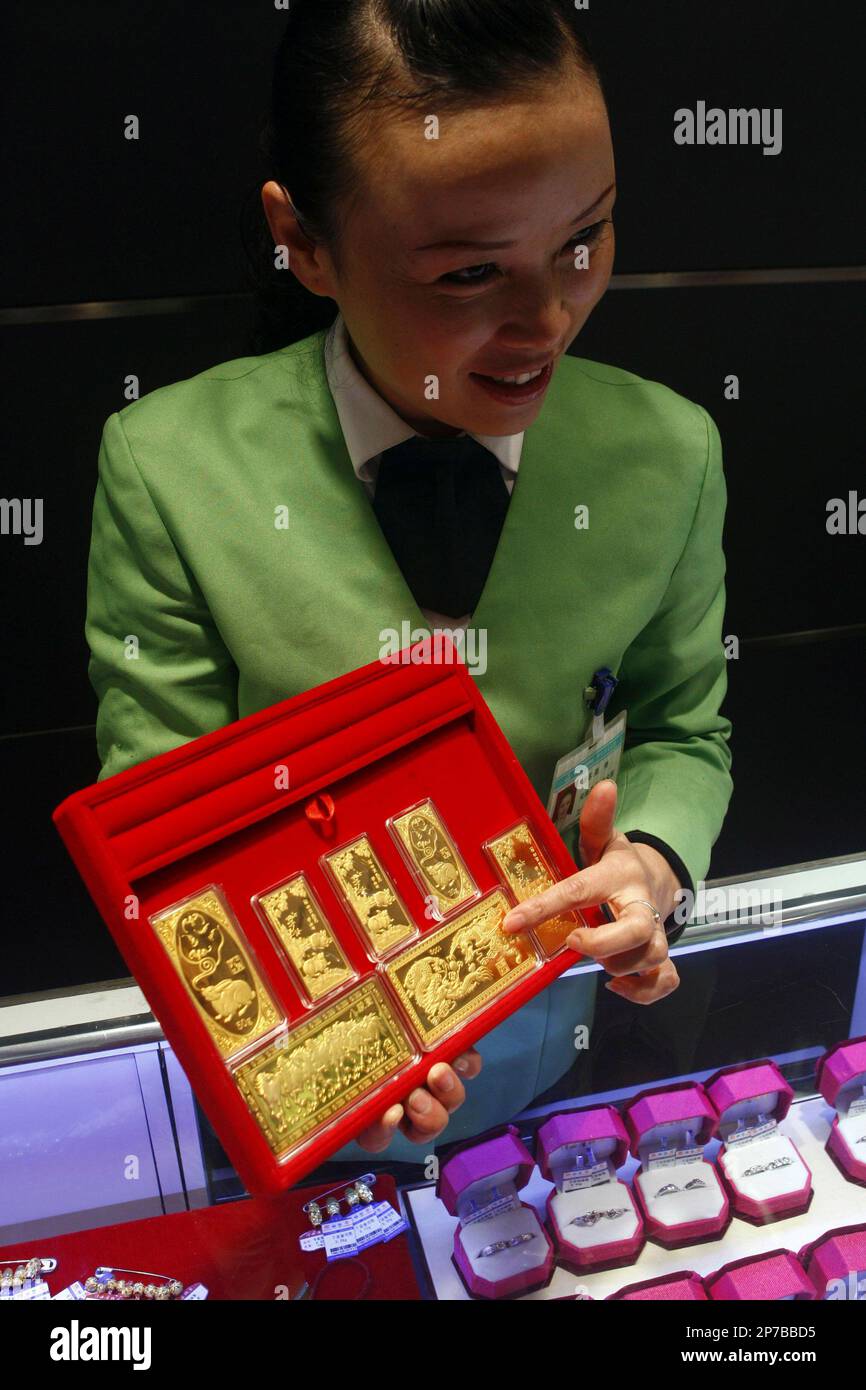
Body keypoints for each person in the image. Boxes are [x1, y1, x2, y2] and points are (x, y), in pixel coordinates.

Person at [85, 0, 732, 1164]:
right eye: (467, 271)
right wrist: (311, 1049)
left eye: (582, 238)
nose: (547, 317)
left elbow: (686, 726)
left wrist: (648, 858)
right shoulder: (171, 467)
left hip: (552, 1054)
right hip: (304, 1082)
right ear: (308, 243)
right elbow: (165, 838)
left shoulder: (668, 451)